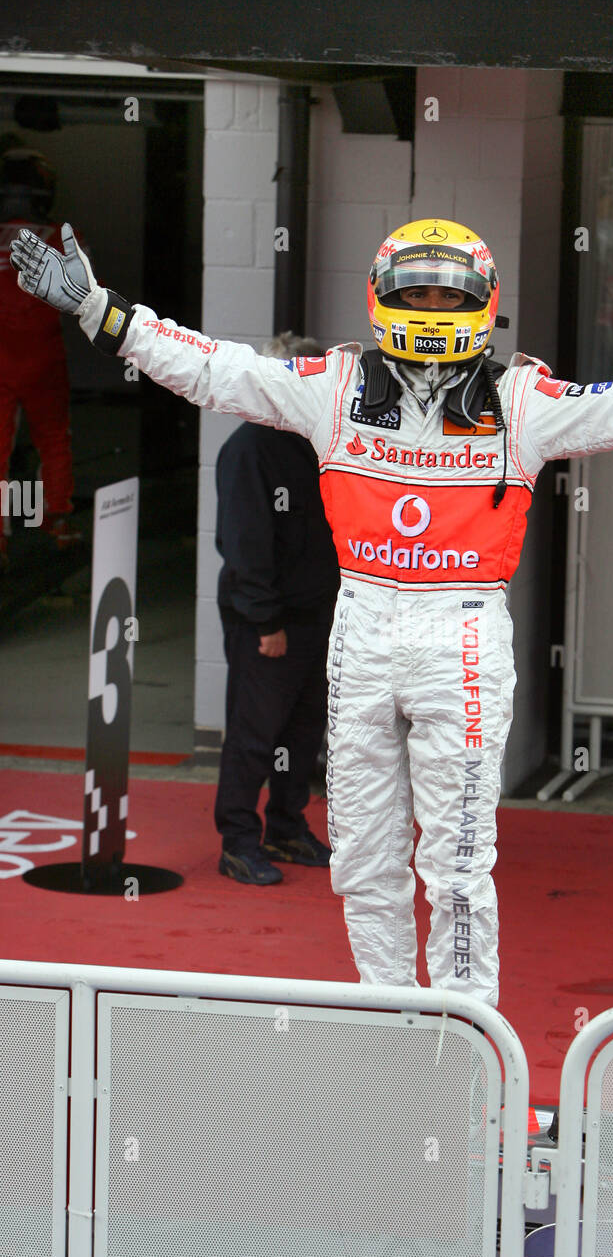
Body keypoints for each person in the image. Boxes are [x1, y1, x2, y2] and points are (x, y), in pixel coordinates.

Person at [11, 217, 613, 1007]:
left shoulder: (523, 402)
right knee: (366, 861)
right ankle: (389, 1024)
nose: (431, 307)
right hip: (363, 626)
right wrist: (96, 307)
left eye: (448, 294)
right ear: (382, 296)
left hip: (464, 634)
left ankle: (465, 1039)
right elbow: (212, 367)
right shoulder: (333, 386)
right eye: (415, 292)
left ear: (483, 304)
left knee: (456, 864)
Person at [214, 330, 340, 885]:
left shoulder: (320, 442)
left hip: (320, 611)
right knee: (254, 732)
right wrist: (266, 622)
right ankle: (239, 841)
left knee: (304, 729)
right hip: (268, 620)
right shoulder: (248, 449)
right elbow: (245, 545)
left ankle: (287, 828)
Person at [0, 143, 79, 567]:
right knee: (52, 440)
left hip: (0, 358)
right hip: (44, 357)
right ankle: (58, 523)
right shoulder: (64, 237)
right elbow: (86, 297)